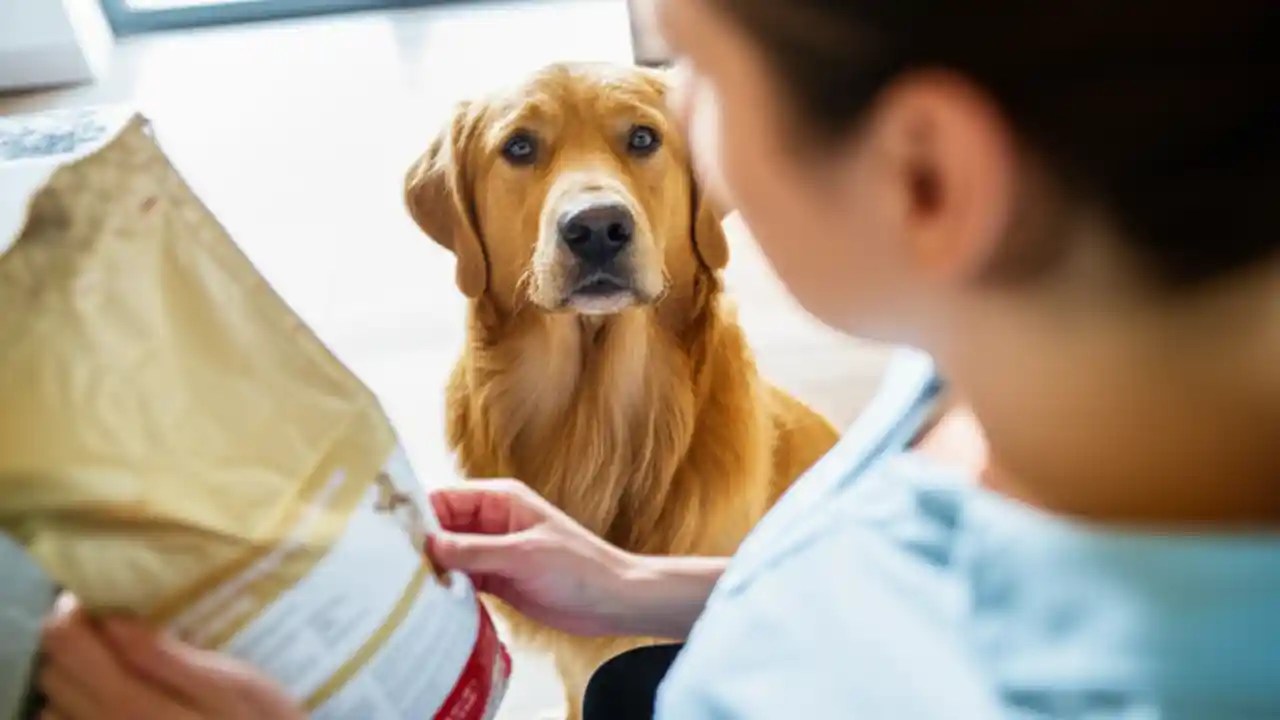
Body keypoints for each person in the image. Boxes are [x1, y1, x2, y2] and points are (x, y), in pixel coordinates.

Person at [34, 0, 1280, 717]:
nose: (671, 139)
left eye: (695, 76)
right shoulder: (991, 351)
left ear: (926, 178)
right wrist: (639, 587)